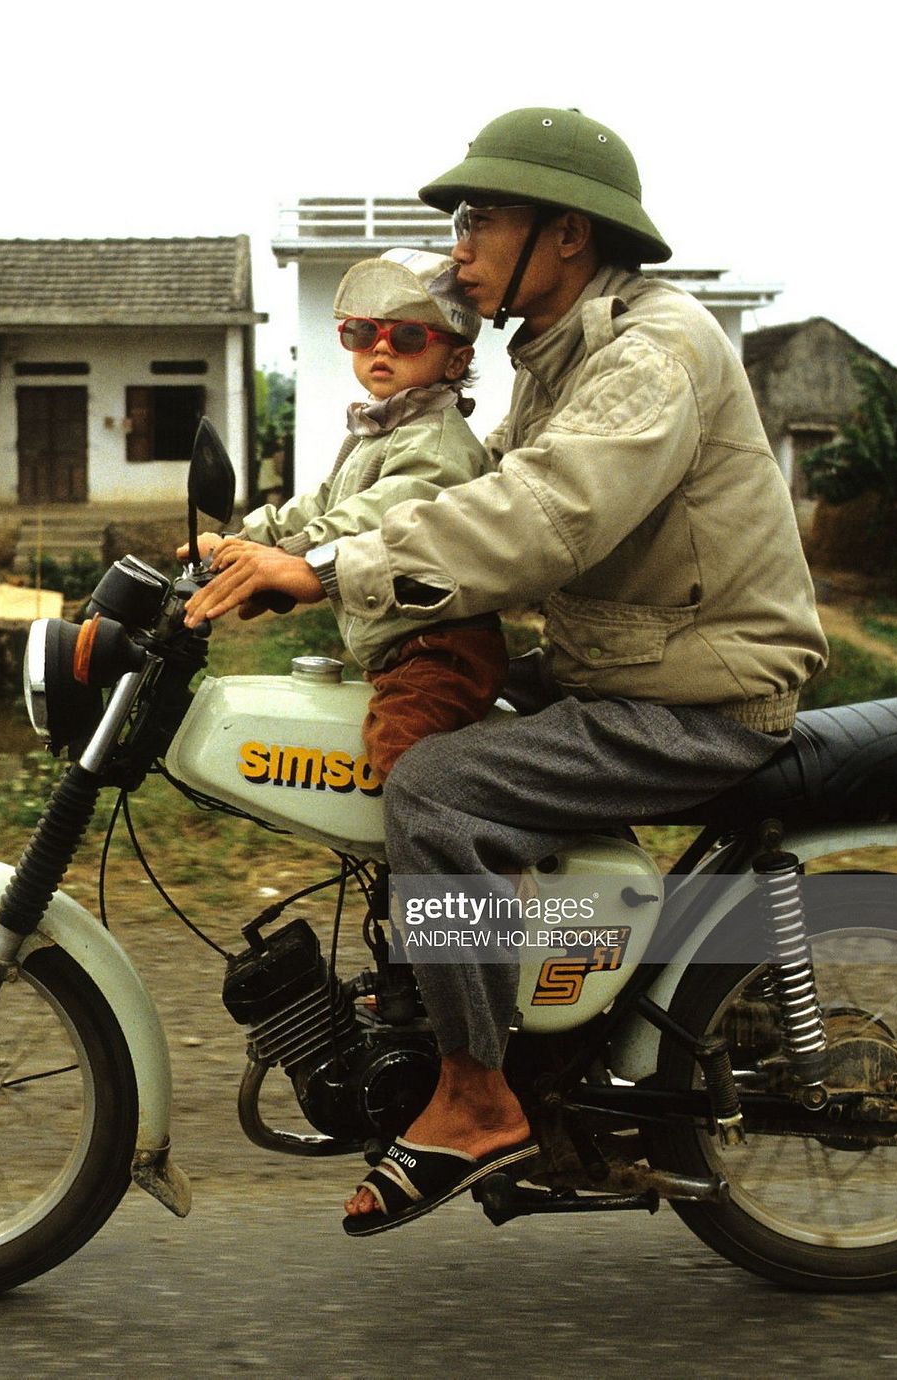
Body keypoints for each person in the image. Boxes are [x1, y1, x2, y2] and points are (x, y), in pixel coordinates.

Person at [184, 107, 829, 1236]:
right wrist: (268, 548)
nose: (461, 248)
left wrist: (328, 571)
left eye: (482, 219)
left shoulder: (650, 355)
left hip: (700, 697)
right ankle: (485, 1003)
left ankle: (476, 1094)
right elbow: (458, 500)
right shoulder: (560, 356)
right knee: (378, 725)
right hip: (620, 669)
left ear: (566, 234)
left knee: (436, 791)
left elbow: (537, 517)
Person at [189, 247, 508, 780]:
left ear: (455, 362)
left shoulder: (435, 442)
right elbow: (324, 502)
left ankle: (450, 836)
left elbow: (375, 517)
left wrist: (287, 559)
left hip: (440, 653)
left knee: (405, 769)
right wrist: (244, 538)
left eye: (408, 336)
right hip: (402, 650)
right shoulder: (380, 430)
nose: (380, 347)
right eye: (363, 333)